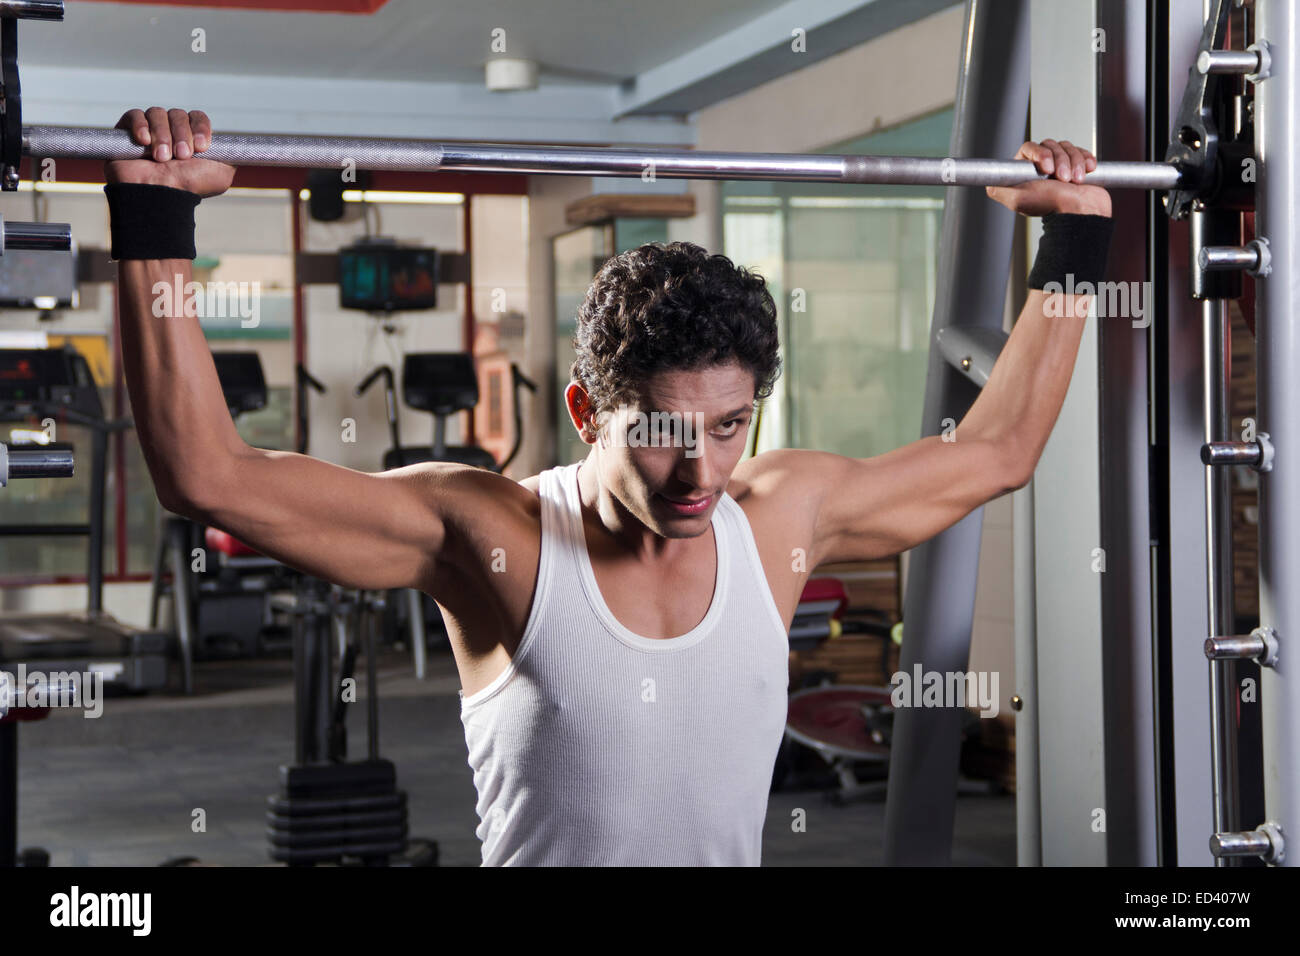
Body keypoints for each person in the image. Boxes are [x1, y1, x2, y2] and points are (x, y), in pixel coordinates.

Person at [103, 107, 1112, 866]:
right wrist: (156, 218)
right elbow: (208, 474)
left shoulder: (780, 515)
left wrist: (1070, 236)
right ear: (587, 413)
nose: (702, 471)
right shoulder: (494, 532)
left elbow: (996, 453)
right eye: (665, 434)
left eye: (729, 427)